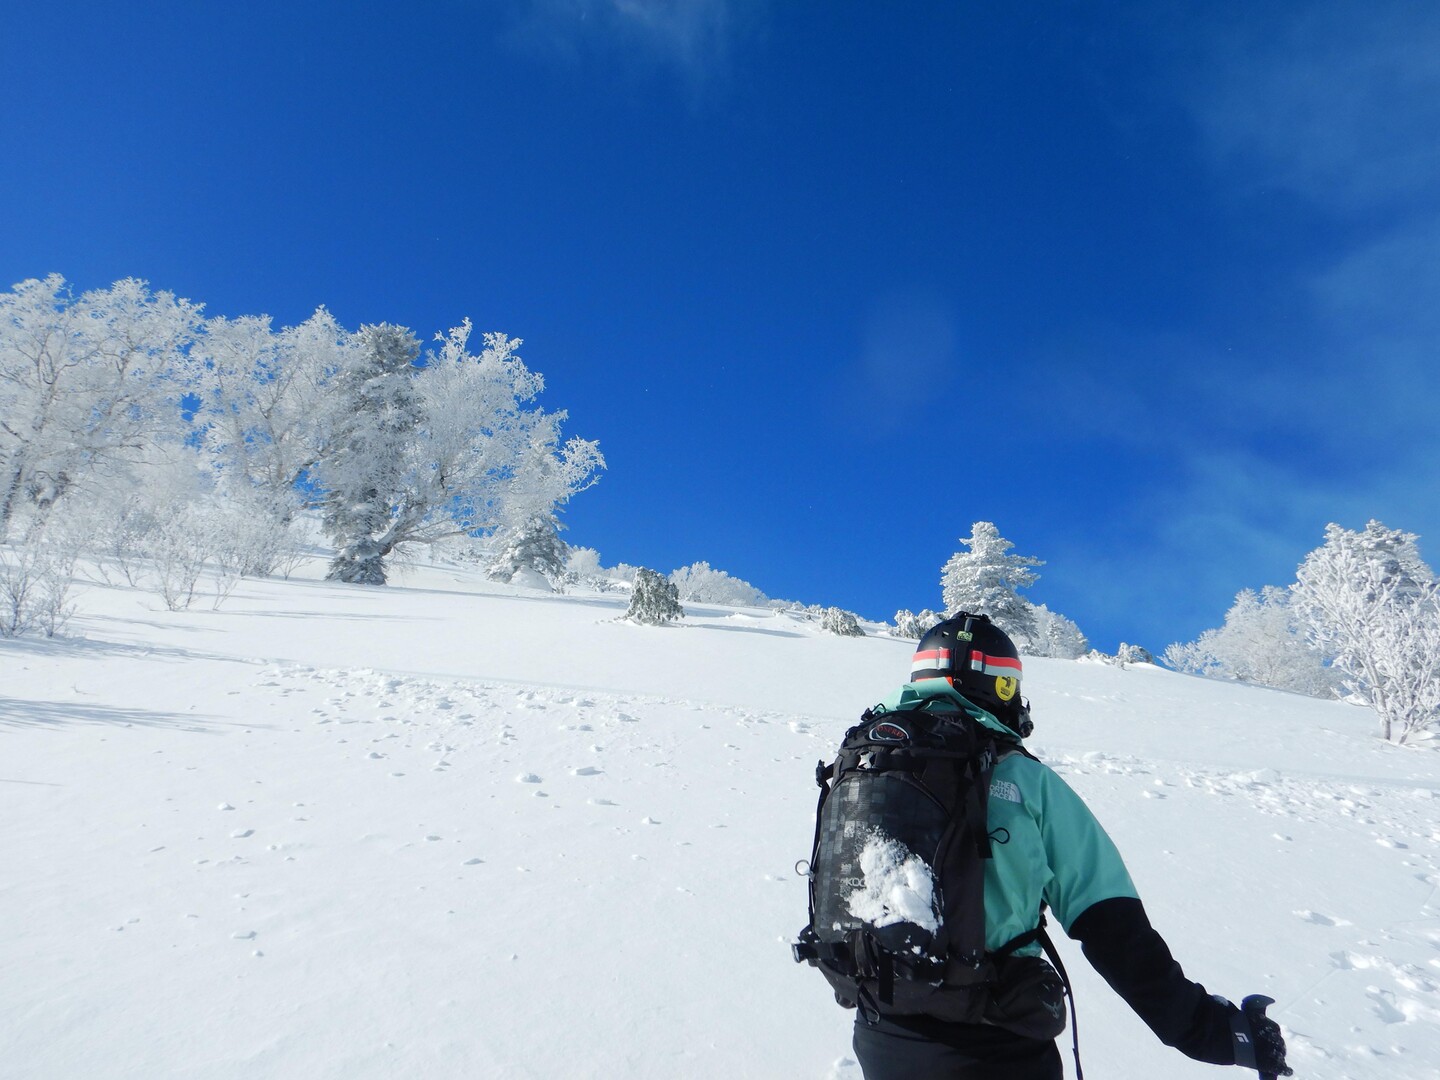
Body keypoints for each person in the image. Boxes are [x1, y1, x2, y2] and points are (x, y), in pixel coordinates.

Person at [846, 612, 1291, 1080]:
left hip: (880, 1029)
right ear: (996, 685)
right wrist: (1216, 1032)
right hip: (995, 1047)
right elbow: (1114, 929)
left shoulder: (867, 763)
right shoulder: (1025, 781)